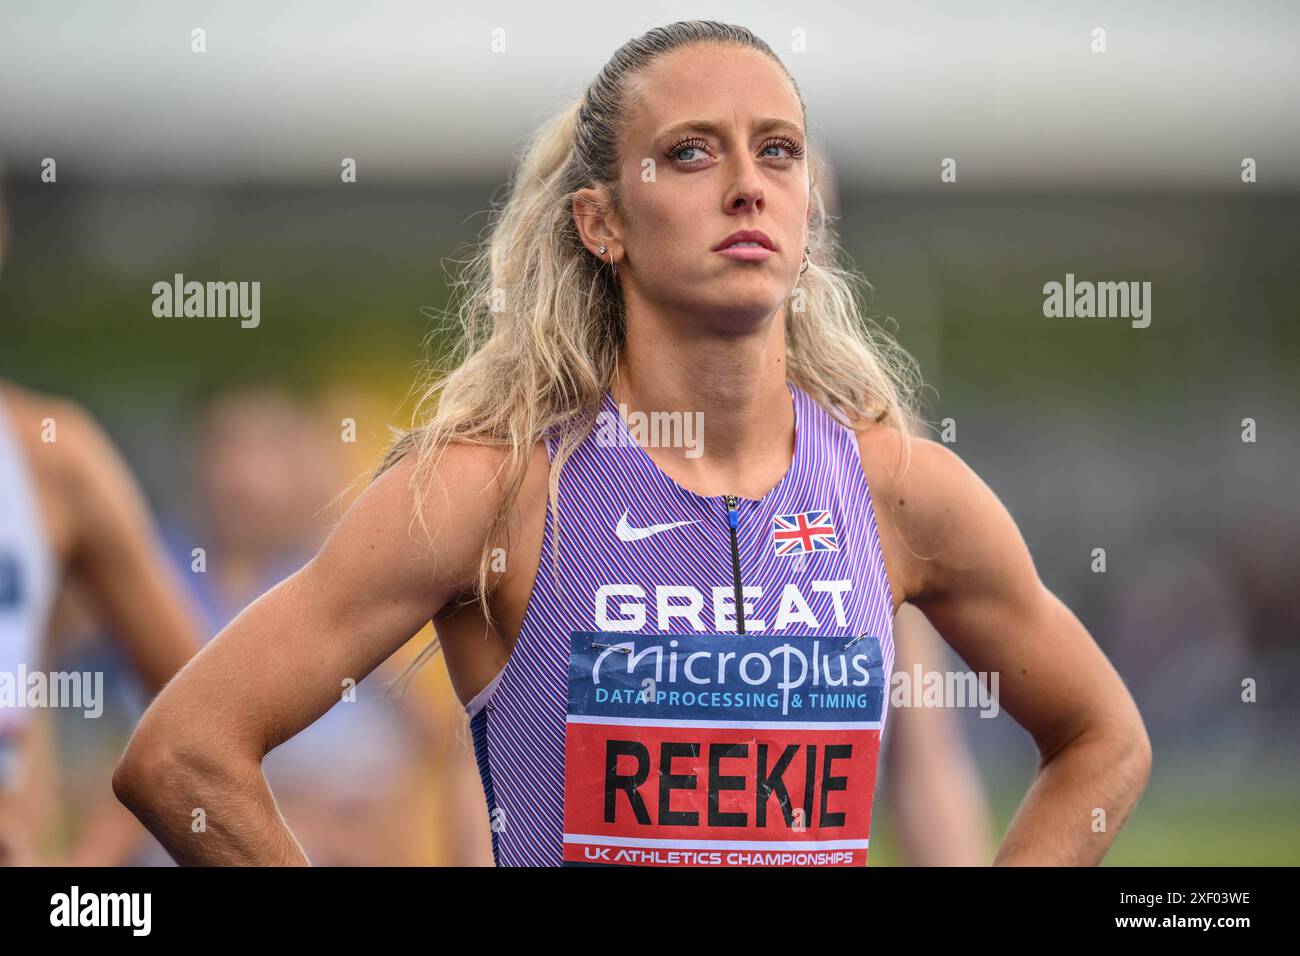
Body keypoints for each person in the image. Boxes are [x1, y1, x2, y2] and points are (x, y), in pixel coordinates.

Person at [114, 20, 1150, 867]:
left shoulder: (899, 490)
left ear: (805, 209)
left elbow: (1104, 740)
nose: (747, 185)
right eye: (692, 152)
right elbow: (183, 753)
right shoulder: (492, 489)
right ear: (601, 222)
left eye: (776, 150)